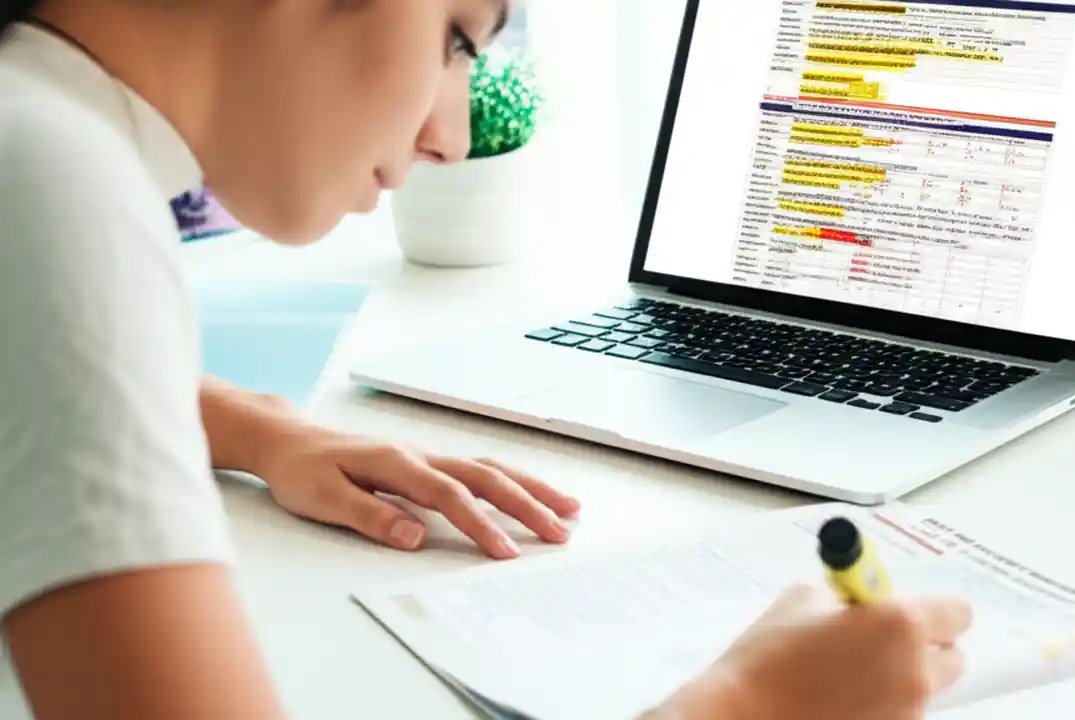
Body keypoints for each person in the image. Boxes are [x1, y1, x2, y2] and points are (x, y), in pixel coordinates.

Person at [0, 2, 972, 718]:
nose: (451, 136)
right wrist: (747, 704)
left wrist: (249, 423)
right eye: (457, 38)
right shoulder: (52, 186)